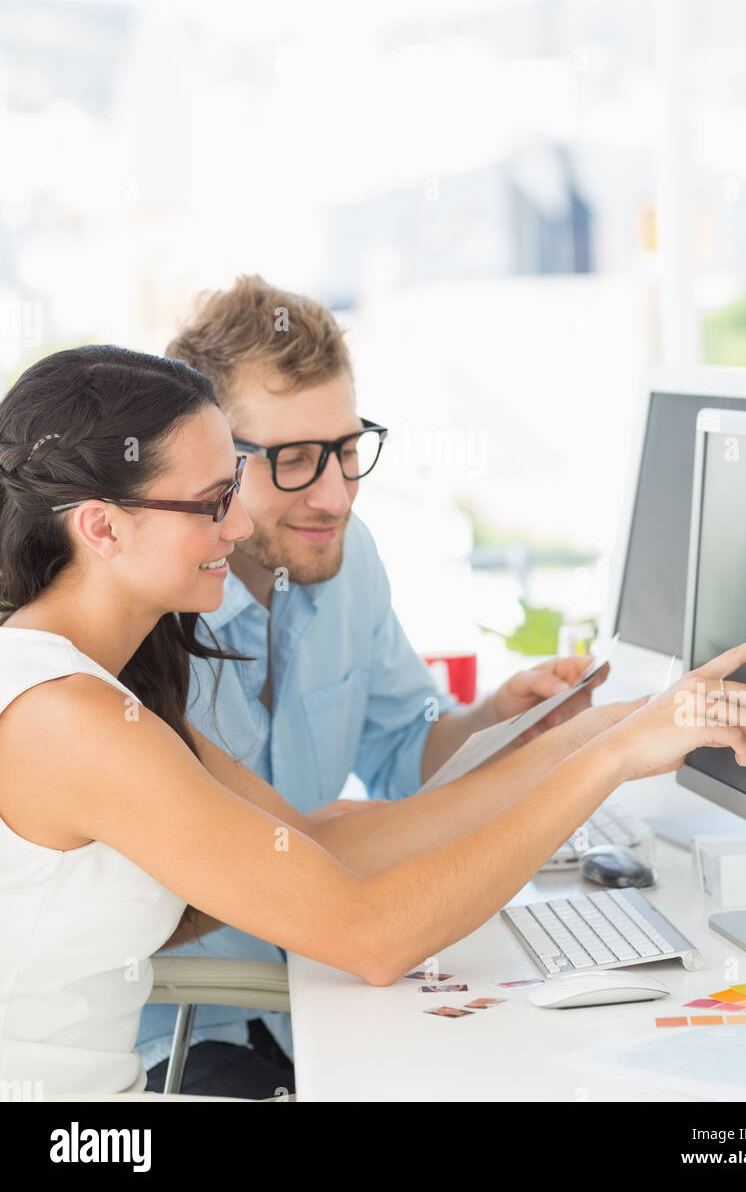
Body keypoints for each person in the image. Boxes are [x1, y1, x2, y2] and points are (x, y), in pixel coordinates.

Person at [0, 342, 746, 1099]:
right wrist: (608, 763)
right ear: (101, 528)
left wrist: (594, 733)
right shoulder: (67, 716)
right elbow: (373, 937)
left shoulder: (114, 681)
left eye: (233, 488)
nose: (237, 528)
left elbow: (319, 843)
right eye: (212, 504)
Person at [140, 273, 616, 1091]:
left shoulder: (347, 563)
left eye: (347, 450)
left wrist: (496, 721)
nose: (334, 494)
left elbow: (404, 750)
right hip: (190, 1022)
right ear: (210, 464)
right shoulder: (147, 624)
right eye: (291, 460)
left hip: (321, 992)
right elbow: (291, 864)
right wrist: (610, 753)